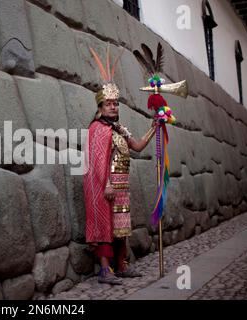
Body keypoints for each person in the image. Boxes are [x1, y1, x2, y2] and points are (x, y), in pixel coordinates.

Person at [83, 47, 156, 285]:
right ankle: (105, 270)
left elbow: (136, 146)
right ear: (100, 107)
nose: (114, 107)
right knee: (105, 225)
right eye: (109, 104)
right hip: (106, 185)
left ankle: (121, 265)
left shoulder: (119, 129)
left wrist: (155, 127)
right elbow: (97, 160)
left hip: (121, 185)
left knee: (121, 226)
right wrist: (106, 184)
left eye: (116, 103)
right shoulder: (97, 129)